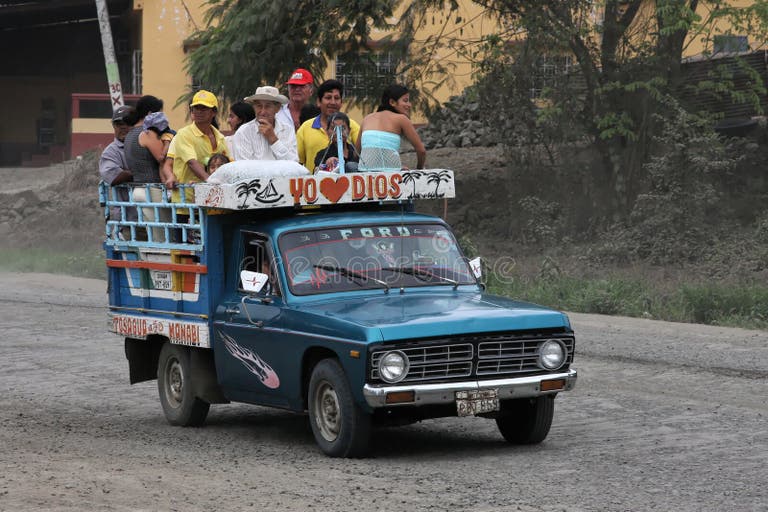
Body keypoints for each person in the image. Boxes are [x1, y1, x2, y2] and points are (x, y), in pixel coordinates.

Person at [167, 90, 229, 209]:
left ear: (214, 112)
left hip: (211, 200)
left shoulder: (219, 137)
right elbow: (191, 162)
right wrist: (209, 181)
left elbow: (228, 163)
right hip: (186, 200)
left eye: (204, 108)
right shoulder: (184, 134)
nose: (198, 111)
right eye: (196, 108)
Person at [296, 79, 360, 172]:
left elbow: (362, 154)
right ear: (318, 102)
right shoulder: (305, 128)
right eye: (328, 97)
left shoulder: (352, 125)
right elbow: (297, 162)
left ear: (341, 103)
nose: (333, 102)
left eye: (337, 98)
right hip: (315, 184)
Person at [358, 84, 426, 172]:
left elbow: (358, 151)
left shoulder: (367, 118)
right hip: (390, 175)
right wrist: (420, 169)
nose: (409, 105)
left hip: (364, 173)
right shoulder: (401, 119)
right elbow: (421, 151)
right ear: (392, 102)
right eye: (405, 101)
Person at [99, 105, 137, 236]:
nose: (123, 127)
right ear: (114, 127)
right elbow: (112, 176)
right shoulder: (111, 152)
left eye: (127, 122)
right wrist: (141, 173)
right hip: (127, 219)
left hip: (154, 215)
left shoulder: (147, 144)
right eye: (118, 124)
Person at [232, 86, 298, 162]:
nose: (262, 112)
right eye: (259, 106)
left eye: (268, 106)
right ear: (254, 107)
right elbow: (244, 168)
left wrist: (273, 140)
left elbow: (293, 163)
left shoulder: (287, 130)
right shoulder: (243, 132)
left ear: (277, 108)